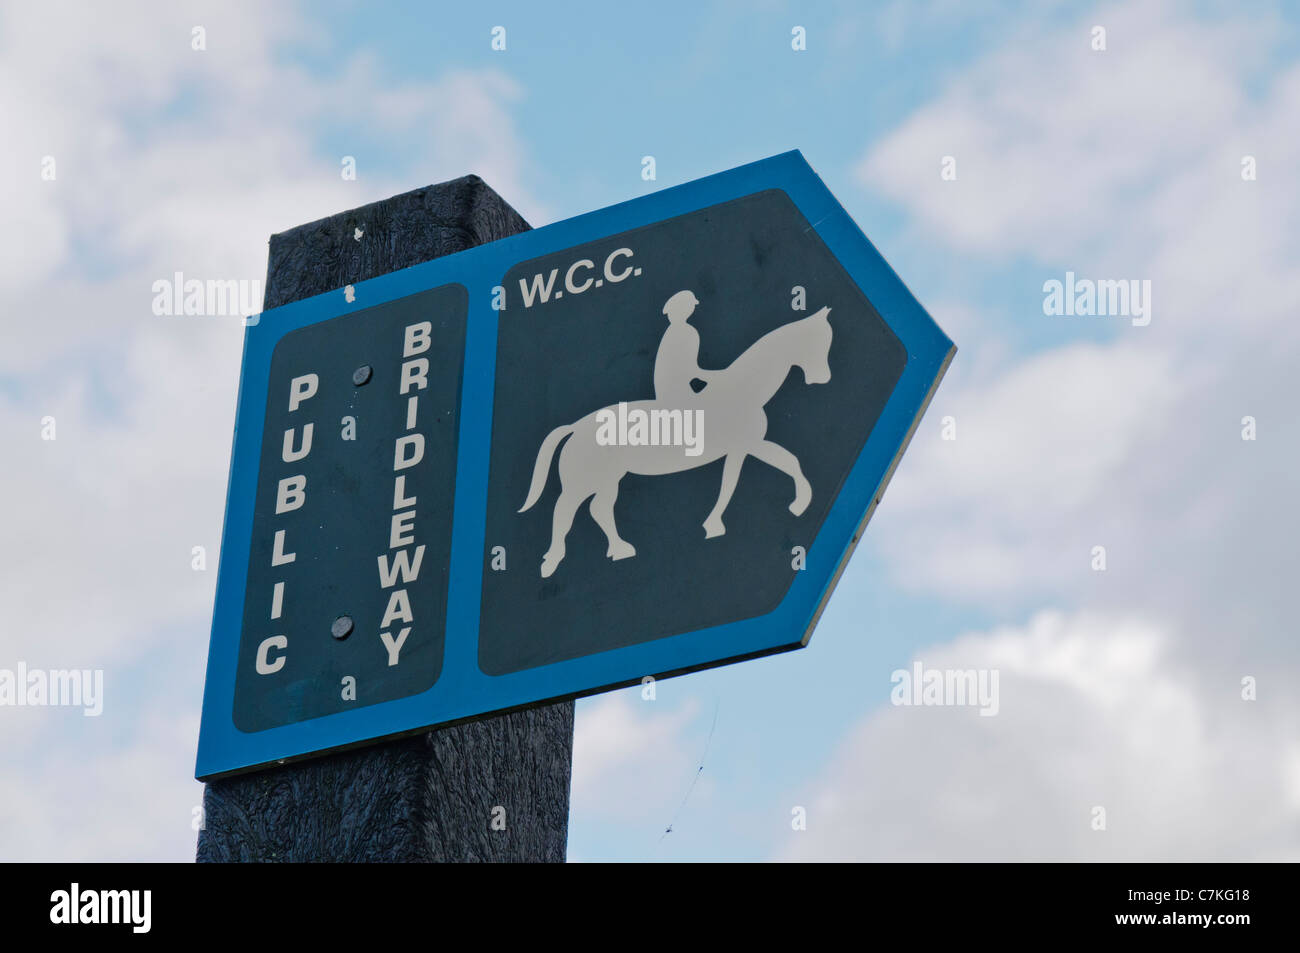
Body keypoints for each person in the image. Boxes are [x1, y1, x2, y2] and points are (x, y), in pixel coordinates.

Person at [654, 290, 712, 405]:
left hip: (668, 394)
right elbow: (689, 370)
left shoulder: (673, 331)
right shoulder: (686, 331)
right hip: (677, 396)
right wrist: (715, 377)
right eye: (690, 305)